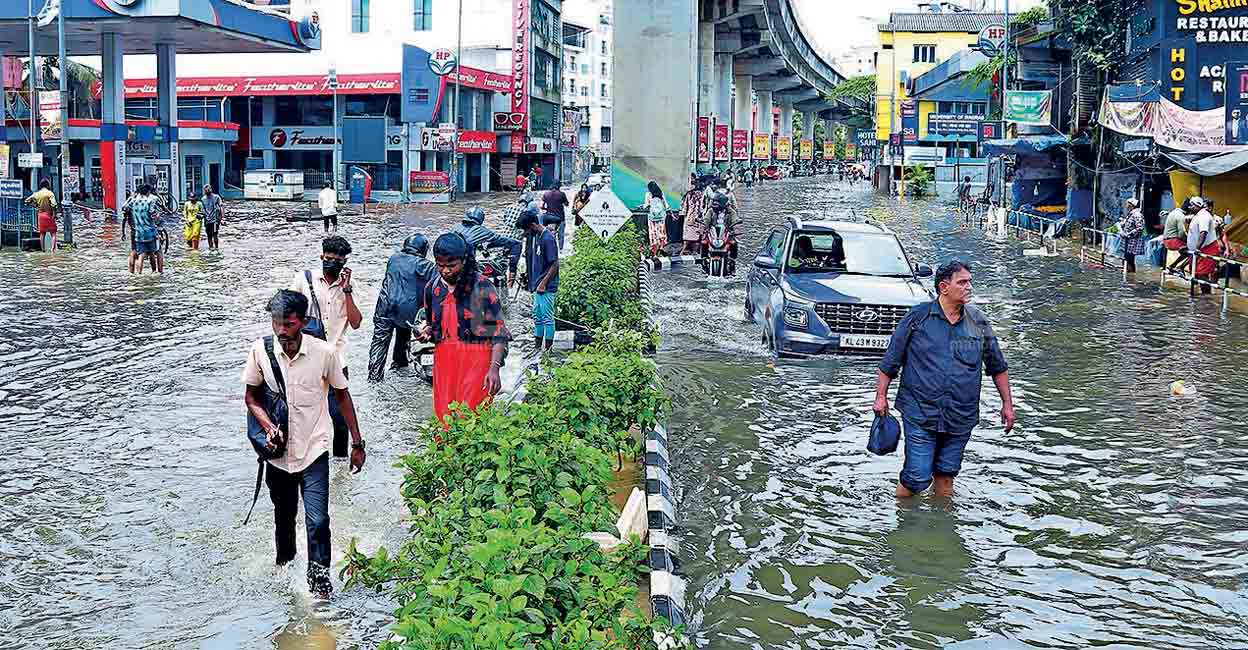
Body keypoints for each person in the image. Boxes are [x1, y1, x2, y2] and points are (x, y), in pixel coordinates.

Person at [242, 289, 365, 599]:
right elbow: (251, 397)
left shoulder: (324, 353)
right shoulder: (261, 351)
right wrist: (268, 427)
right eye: (277, 323)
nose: (282, 331)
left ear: (304, 322)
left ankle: (320, 588)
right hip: (278, 456)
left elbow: (342, 396)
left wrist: (357, 443)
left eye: (290, 324)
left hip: (314, 449)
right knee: (283, 518)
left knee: (318, 520)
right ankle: (284, 573)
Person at [873, 260, 1014, 498]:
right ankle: (903, 525)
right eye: (962, 282)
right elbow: (890, 361)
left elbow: (997, 366)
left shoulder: (978, 322)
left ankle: (940, 527)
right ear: (943, 287)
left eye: (970, 281)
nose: (969, 286)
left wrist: (1007, 404)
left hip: (960, 415)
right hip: (920, 412)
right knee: (917, 476)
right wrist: (880, 397)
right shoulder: (918, 318)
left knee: (946, 474)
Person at [417, 233, 510, 423]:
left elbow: (498, 333)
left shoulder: (482, 287)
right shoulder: (432, 288)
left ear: (464, 261)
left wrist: (494, 369)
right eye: (440, 265)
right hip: (444, 361)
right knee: (444, 417)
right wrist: (427, 332)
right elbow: (433, 325)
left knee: (471, 417)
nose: (445, 271)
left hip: (477, 360)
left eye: (451, 266)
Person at [290, 235, 363, 456]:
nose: (333, 263)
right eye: (329, 258)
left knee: (339, 418)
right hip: (306, 357)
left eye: (338, 260)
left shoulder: (349, 286)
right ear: (322, 256)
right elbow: (289, 312)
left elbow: (356, 323)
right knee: (303, 413)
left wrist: (347, 289)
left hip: (337, 358)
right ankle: (305, 457)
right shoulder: (304, 279)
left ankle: (340, 463)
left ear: (345, 262)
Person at [368, 234, 437, 382]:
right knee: (404, 333)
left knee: (379, 342)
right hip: (408, 310)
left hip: (384, 307)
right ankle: (400, 365)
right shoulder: (424, 265)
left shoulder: (393, 258)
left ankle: (374, 378)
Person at [518, 207, 560, 352]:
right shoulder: (536, 237)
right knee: (537, 316)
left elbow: (555, 264)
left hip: (546, 286)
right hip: (537, 285)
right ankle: (537, 348)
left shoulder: (548, 238)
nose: (525, 234)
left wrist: (543, 283)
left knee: (547, 318)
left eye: (526, 230)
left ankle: (547, 351)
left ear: (533, 226)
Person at [452, 206, 522, 286]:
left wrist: (483, 251)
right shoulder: (481, 230)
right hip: (466, 266)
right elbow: (499, 239)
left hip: (450, 262)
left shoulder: (456, 227)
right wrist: (516, 242)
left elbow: (470, 241)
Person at [1186, 197, 1222, 294]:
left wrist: (1197, 248)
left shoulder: (1204, 216)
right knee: (1196, 274)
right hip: (1199, 250)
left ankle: (1207, 297)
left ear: (1198, 205)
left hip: (1207, 248)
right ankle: (1202, 296)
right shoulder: (1197, 215)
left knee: (1202, 274)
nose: (1189, 207)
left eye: (1192, 205)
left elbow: (1203, 232)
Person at [128, 184, 163, 274]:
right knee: (155, 252)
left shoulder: (133, 202)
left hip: (138, 233)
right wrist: (158, 215)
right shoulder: (149, 201)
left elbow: (125, 208)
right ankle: (156, 272)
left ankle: (138, 274)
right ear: (148, 192)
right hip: (150, 232)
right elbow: (154, 215)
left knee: (141, 255)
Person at [25, 179, 59, 253]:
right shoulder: (50, 193)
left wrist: (35, 205)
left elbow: (27, 201)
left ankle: (43, 250)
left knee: (42, 233)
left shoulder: (37, 194)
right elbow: (54, 204)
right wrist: (54, 214)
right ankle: (52, 250)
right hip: (49, 214)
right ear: (47, 185)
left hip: (40, 215)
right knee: (53, 233)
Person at [1119, 197, 1146, 274]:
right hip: (1128, 242)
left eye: (1127, 203)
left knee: (1130, 259)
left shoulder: (1137, 215)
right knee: (1127, 259)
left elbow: (1140, 228)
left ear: (1131, 205)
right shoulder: (1131, 214)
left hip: (1133, 242)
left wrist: (1128, 234)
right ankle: (1128, 276)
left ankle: (1130, 277)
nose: (1126, 205)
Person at [680, 178, 706, 255]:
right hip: (699, 218)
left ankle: (684, 250)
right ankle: (695, 251)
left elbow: (684, 207)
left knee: (687, 236)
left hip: (690, 217)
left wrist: (682, 214)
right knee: (697, 236)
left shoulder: (689, 195)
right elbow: (704, 206)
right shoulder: (702, 194)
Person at [1162, 201, 1190, 272]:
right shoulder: (1181, 216)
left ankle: (1172, 266)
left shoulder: (1173, 212)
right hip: (1173, 241)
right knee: (1193, 252)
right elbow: (1182, 233)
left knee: (1186, 252)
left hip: (1166, 240)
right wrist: (1188, 241)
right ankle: (1180, 267)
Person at [541, 183, 570, 249]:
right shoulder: (561, 194)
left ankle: (547, 247)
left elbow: (541, 206)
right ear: (559, 186)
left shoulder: (546, 194)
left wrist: (547, 208)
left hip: (548, 217)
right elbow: (566, 204)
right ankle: (560, 249)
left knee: (546, 233)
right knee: (561, 234)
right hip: (559, 217)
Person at [644, 180, 668, 258]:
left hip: (652, 218)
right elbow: (666, 205)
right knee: (661, 233)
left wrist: (643, 206)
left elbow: (647, 205)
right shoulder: (660, 193)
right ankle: (661, 248)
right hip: (661, 217)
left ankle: (654, 254)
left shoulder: (648, 194)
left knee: (653, 234)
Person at [202, 185, 224, 250]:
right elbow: (203, 209)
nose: (207, 191)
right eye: (206, 190)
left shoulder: (216, 197)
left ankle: (216, 248)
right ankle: (211, 248)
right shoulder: (203, 199)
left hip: (215, 220)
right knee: (209, 235)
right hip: (207, 220)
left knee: (215, 234)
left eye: (208, 190)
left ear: (211, 190)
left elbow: (221, 207)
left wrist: (222, 218)